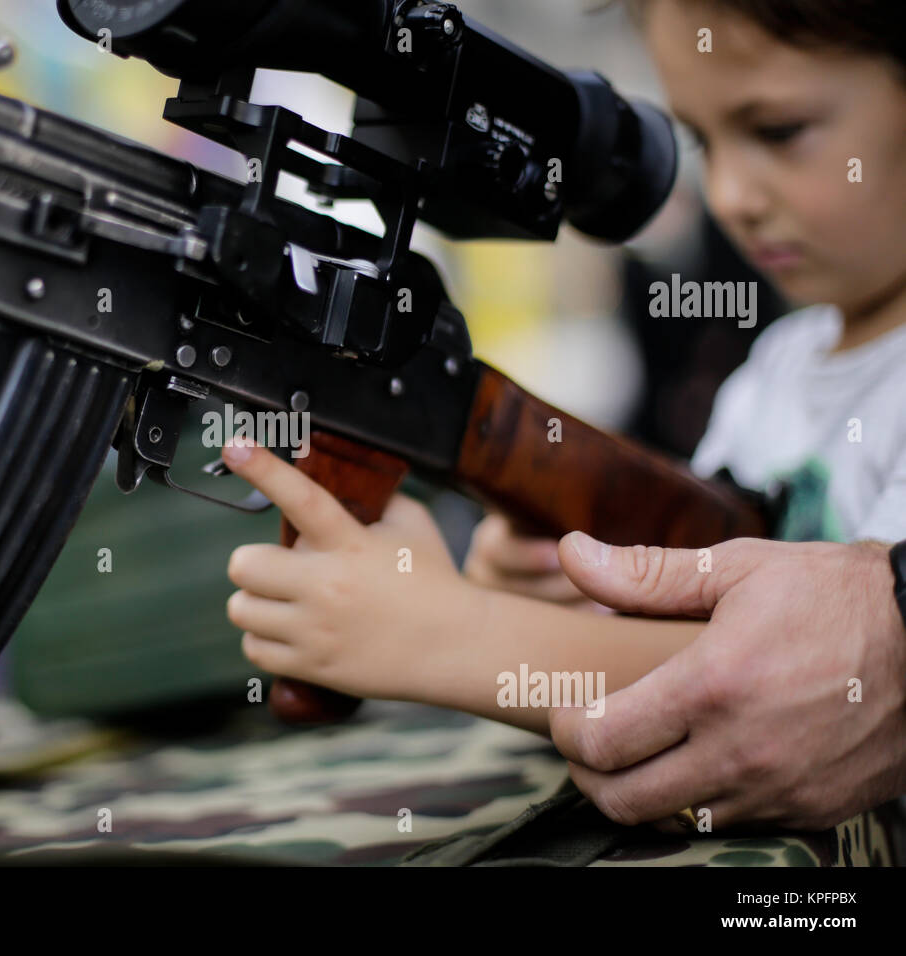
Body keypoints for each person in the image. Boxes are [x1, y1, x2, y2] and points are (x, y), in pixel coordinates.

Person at [221, 0, 906, 828]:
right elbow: (698, 615)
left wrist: (443, 635)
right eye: (702, 142)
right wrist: (582, 590)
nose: (730, 195)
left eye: (779, 130)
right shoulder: (780, 368)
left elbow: (783, 685)